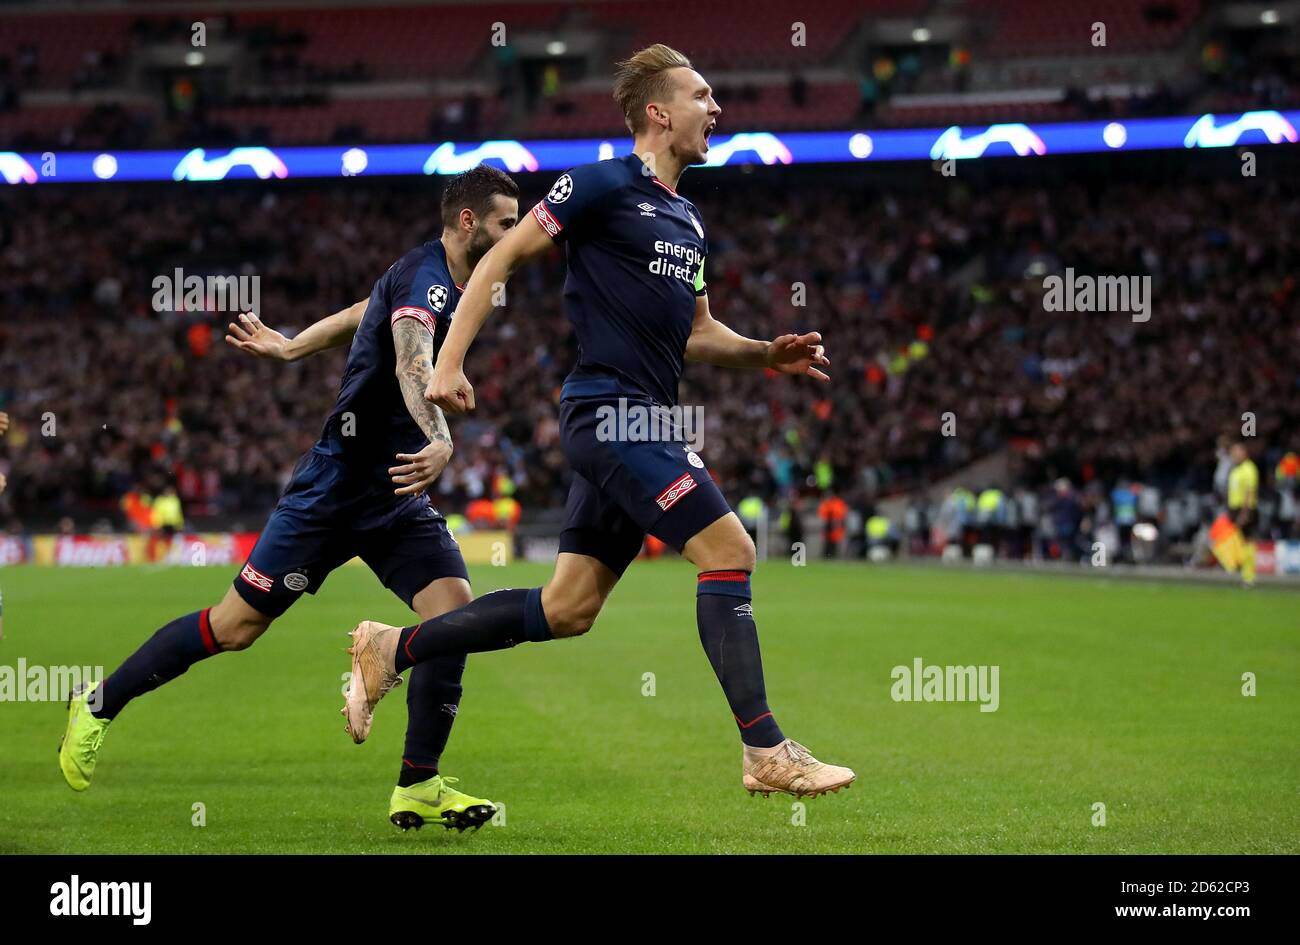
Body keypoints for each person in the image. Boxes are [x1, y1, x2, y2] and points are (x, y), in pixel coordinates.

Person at [342, 44, 854, 800]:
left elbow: (697, 333)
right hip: (610, 409)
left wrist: (761, 354)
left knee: (567, 607)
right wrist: (447, 362)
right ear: (658, 112)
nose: (717, 110)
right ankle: (766, 750)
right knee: (729, 548)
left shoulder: (687, 221)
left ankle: (391, 648)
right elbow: (499, 261)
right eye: (702, 95)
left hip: (640, 412)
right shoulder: (600, 184)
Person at [58, 166, 521, 832]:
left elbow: (369, 310)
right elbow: (410, 356)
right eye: (507, 222)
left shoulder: (455, 279)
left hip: (392, 494)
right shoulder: (427, 276)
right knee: (233, 627)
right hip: (331, 493)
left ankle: (418, 783)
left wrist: (295, 344)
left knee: (452, 618)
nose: (518, 233)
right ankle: (96, 704)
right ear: (469, 222)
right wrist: (441, 434)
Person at [1227, 442, 1260, 586]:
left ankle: (1249, 576)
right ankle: (1242, 574)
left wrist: (1244, 513)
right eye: (1232, 452)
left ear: (1244, 452)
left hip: (1245, 509)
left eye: (1236, 452)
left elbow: (1249, 492)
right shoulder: (1236, 470)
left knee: (1247, 543)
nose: (1233, 455)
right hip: (1234, 509)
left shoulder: (1249, 469)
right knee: (1238, 544)